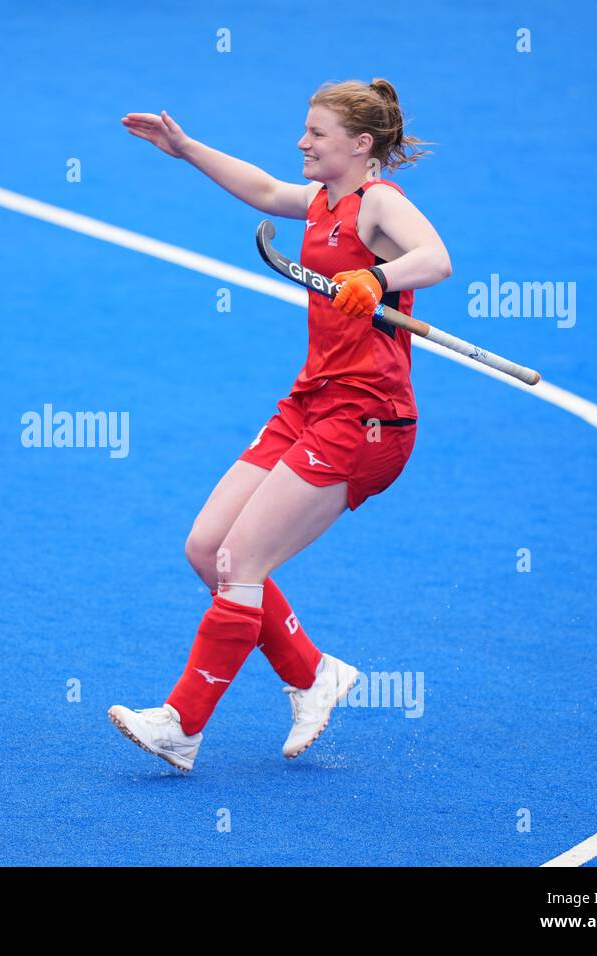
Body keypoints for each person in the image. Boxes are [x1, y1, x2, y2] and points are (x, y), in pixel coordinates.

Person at [108, 79, 451, 773]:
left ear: (360, 145)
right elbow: (265, 191)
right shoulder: (322, 201)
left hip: (367, 418)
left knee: (241, 564)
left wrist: (378, 281)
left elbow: (436, 259)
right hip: (310, 400)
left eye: (316, 133)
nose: (301, 142)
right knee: (207, 549)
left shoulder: (379, 203)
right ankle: (312, 674)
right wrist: (185, 148)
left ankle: (182, 724)